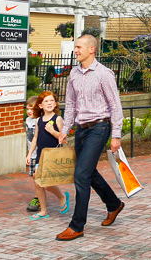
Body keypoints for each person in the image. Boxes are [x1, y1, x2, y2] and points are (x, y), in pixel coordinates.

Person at [56, 34, 125, 242]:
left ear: (91, 50)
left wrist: (116, 136)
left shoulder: (104, 74)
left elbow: (115, 106)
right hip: (81, 129)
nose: (75, 50)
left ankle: (77, 226)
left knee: (81, 176)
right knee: (89, 173)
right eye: (75, 47)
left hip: (99, 128)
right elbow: (71, 104)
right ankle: (114, 204)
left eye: (78, 47)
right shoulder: (74, 74)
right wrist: (65, 129)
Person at [26, 91, 69, 220]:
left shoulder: (57, 119)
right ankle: (43, 210)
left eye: (51, 101)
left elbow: (63, 139)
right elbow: (35, 138)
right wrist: (29, 154)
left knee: (41, 182)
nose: (49, 103)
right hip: (40, 155)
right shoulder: (39, 120)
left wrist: (53, 131)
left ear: (55, 103)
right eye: (46, 101)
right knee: (37, 182)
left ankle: (61, 196)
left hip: (52, 155)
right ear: (40, 105)